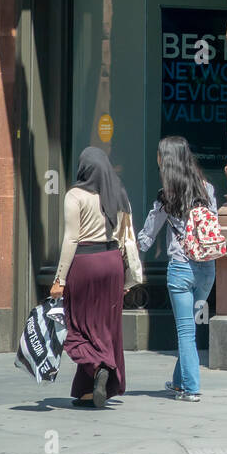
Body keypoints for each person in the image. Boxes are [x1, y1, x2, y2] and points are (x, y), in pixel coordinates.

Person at [137, 136, 220, 402]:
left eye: (160, 155)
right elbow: (213, 225)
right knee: (190, 328)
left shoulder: (167, 197)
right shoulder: (207, 190)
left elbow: (147, 237)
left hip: (181, 270)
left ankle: (191, 389)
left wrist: (129, 248)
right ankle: (177, 382)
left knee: (186, 331)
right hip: (207, 270)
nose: (157, 160)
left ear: (168, 160)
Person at [51, 147, 133, 409]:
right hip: (112, 264)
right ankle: (88, 391)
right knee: (104, 327)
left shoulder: (75, 195)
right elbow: (126, 237)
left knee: (74, 325)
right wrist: (128, 278)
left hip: (85, 263)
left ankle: (99, 366)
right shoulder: (117, 192)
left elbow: (71, 238)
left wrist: (59, 279)